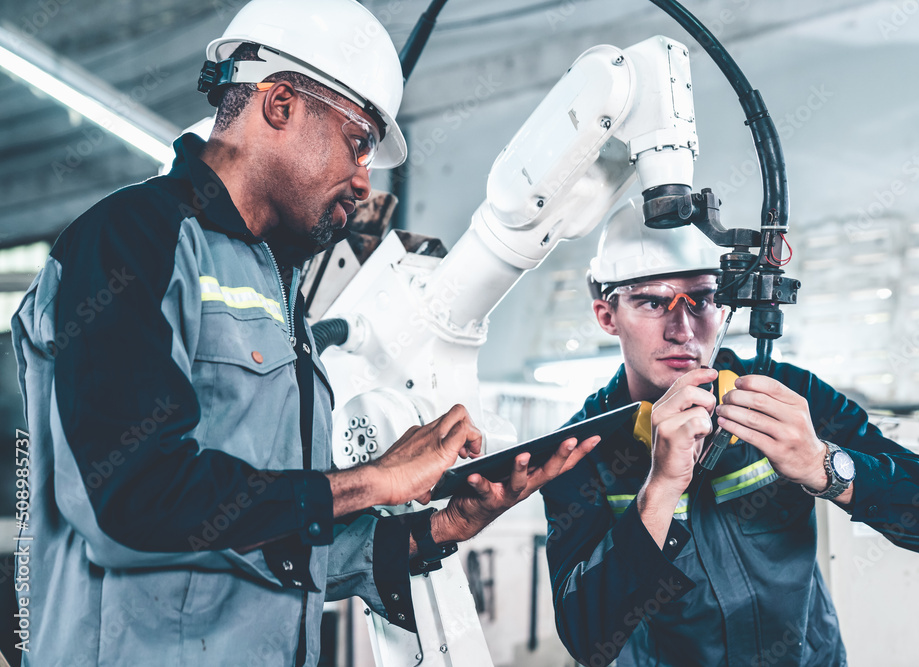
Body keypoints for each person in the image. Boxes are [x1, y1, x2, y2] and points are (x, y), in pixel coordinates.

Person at [10, 1, 597, 665]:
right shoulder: (130, 241)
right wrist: (373, 480)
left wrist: (440, 524)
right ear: (281, 103)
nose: (362, 179)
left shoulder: (280, 295)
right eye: (358, 142)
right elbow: (132, 498)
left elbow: (272, 539)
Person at [540, 197, 919, 667]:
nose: (682, 330)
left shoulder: (785, 396)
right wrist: (659, 490)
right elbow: (587, 635)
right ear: (608, 315)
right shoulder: (579, 449)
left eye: (701, 300)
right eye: (653, 302)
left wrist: (824, 465)